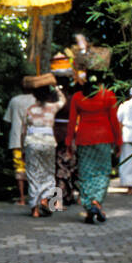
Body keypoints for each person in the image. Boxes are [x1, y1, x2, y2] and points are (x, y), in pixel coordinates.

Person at [65, 68, 122, 223]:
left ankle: (90, 206)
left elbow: (71, 123)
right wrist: (119, 142)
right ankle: (96, 202)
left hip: (84, 139)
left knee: (85, 174)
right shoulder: (108, 95)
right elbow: (114, 122)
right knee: (102, 173)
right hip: (104, 139)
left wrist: (69, 142)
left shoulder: (77, 97)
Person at [20, 75, 65, 217]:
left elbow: (23, 131)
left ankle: (34, 208)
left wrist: (22, 149)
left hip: (32, 142)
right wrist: (56, 88)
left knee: (33, 174)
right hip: (48, 143)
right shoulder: (52, 108)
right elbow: (63, 100)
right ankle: (46, 200)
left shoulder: (30, 110)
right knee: (48, 173)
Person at [3, 80, 36, 206]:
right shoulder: (37, 101)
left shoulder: (14, 100)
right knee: (33, 168)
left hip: (16, 139)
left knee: (19, 168)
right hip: (33, 139)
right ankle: (34, 198)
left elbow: (8, 120)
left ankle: (22, 198)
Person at [52, 68, 79, 210]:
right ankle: (61, 199)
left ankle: (61, 198)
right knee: (66, 167)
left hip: (56, 135)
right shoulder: (70, 97)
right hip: (67, 135)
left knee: (58, 168)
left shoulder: (55, 97)